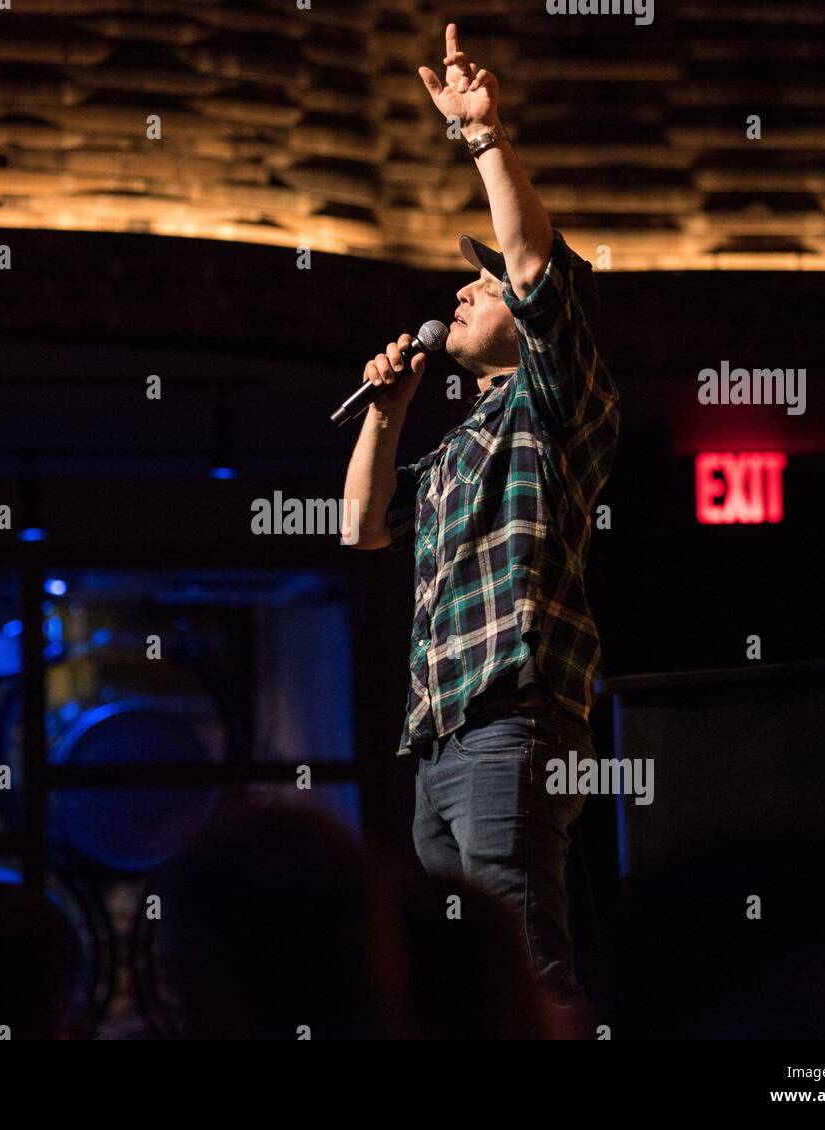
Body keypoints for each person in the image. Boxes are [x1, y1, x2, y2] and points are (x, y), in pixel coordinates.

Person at [341, 24, 619, 1006]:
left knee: (528, 964)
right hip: (438, 744)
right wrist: (386, 410)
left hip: (512, 728)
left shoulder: (556, 401)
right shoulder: (461, 443)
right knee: (468, 982)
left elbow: (536, 270)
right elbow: (360, 526)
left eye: (481, 281)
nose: (464, 288)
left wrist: (482, 137)